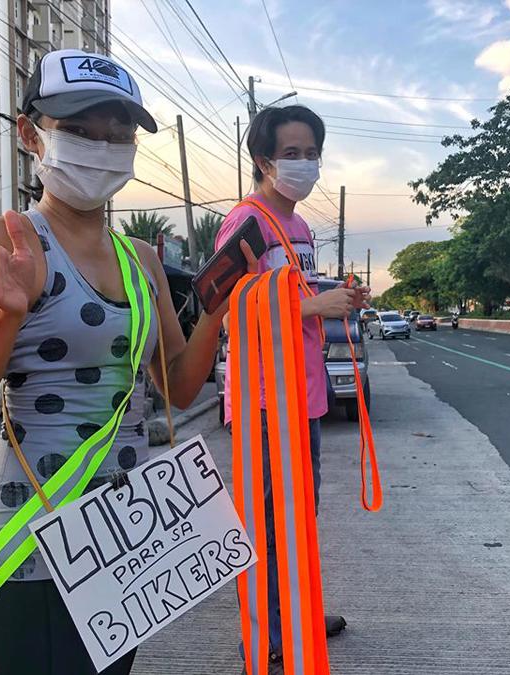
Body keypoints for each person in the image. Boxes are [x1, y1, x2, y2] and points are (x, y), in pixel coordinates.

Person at [0, 49, 254, 675]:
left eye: (117, 134)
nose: (100, 147)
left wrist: (217, 309)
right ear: (29, 133)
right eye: (77, 131)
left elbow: (179, 389)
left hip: (124, 543)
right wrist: (7, 315)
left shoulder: (143, 261)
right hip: (29, 538)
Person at [215, 104, 370, 674]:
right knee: (267, 523)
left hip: (300, 395)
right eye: (292, 154)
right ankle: (265, 634)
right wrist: (314, 305)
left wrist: (336, 298)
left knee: (300, 513)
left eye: (311, 154)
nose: (304, 164)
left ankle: (298, 613)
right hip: (262, 402)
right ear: (263, 160)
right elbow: (230, 312)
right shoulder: (246, 222)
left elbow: (288, 295)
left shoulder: (299, 227)